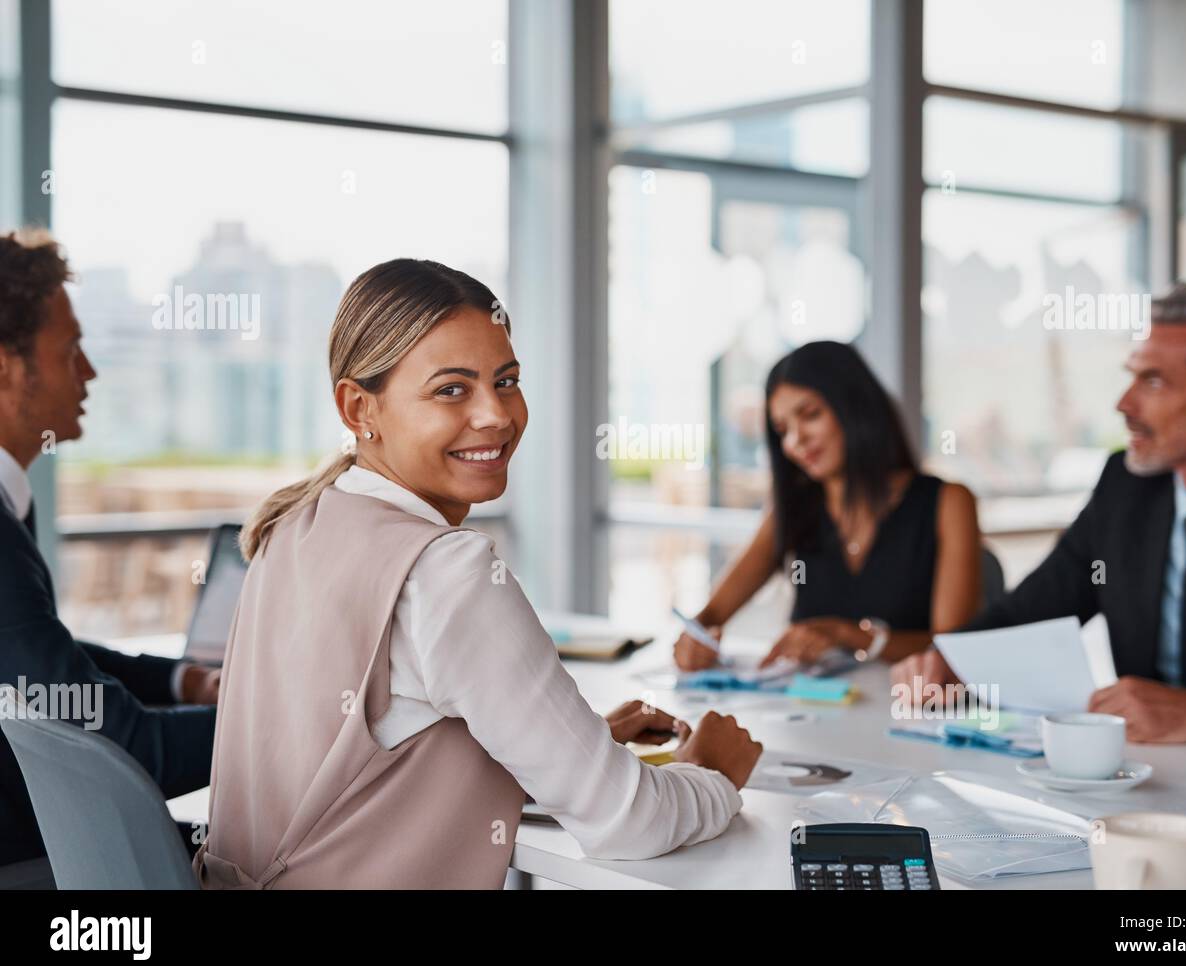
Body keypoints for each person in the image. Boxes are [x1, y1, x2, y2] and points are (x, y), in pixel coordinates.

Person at [195, 258, 762, 889]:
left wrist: (576, 742)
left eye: (507, 381)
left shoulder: (293, 528)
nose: (495, 414)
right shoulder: (444, 571)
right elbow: (628, 823)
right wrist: (711, 772)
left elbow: (353, 764)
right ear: (360, 408)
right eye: (451, 389)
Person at [893, 283, 1186, 746]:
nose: (1123, 404)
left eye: (1153, 381)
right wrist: (951, 661)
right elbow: (1034, 608)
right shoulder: (1127, 489)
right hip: (1149, 777)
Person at [0, 229, 219, 868]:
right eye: (70, 349)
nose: (89, 369)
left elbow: (42, 656)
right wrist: (282, 718)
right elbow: (130, 750)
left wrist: (185, 680)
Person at [674, 340, 982, 672]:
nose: (795, 441)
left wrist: (847, 635)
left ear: (856, 406)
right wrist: (695, 638)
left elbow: (951, 647)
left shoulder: (948, 502)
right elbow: (712, 615)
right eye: (782, 431)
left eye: (810, 415)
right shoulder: (791, 507)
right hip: (811, 711)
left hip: (910, 706)